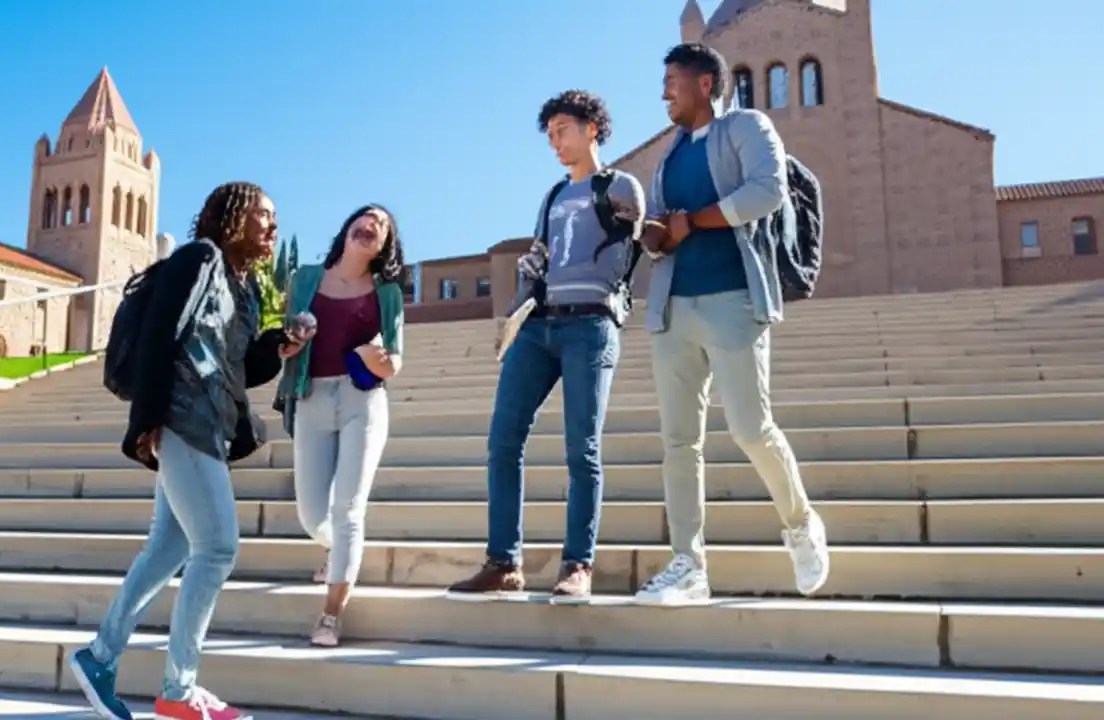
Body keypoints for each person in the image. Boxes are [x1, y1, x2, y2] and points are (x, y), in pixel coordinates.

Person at [70, 182, 306, 720]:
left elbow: (240, 367)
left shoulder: (243, 289)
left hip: (213, 426)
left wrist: (277, 346)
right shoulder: (200, 258)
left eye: (275, 217)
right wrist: (147, 419)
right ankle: (179, 691)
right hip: (182, 416)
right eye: (263, 215)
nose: (272, 226)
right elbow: (162, 333)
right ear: (235, 215)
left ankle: (100, 656)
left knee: (169, 549)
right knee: (218, 548)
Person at [633, 43, 830, 607]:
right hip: (674, 310)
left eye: (672, 79)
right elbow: (665, 233)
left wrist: (691, 222)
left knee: (750, 427)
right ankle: (688, 565)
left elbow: (766, 191)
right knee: (678, 442)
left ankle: (800, 524)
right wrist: (652, 234)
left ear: (703, 83)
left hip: (735, 300)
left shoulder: (745, 126)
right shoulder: (667, 157)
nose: (664, 90)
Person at [447, 90, 645, 604]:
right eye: (550, 133)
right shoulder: (554, 195)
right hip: (538, 328)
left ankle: (578, 563)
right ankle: (502, 562)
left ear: (592, 128)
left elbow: (633, 242)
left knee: (583, 448)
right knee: (502, 441)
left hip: (591, 326)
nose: (555, 141)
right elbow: (538, 257)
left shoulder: (621, 185)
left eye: (563, 129)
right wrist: (515, 310)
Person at [275, 204, 405, 647]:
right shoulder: (306, 279)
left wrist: (381, 359)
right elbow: (285, 342)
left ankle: (331, 614)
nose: (373, 224)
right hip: (312, 396)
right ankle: (334, 548)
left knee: (348, 508)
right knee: (313, 514)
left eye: (383, 226)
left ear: (384, 245)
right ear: (349, 227)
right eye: (367, 218)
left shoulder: (387, 293)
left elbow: (396, 361)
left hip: (363, 400)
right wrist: (289, 345)